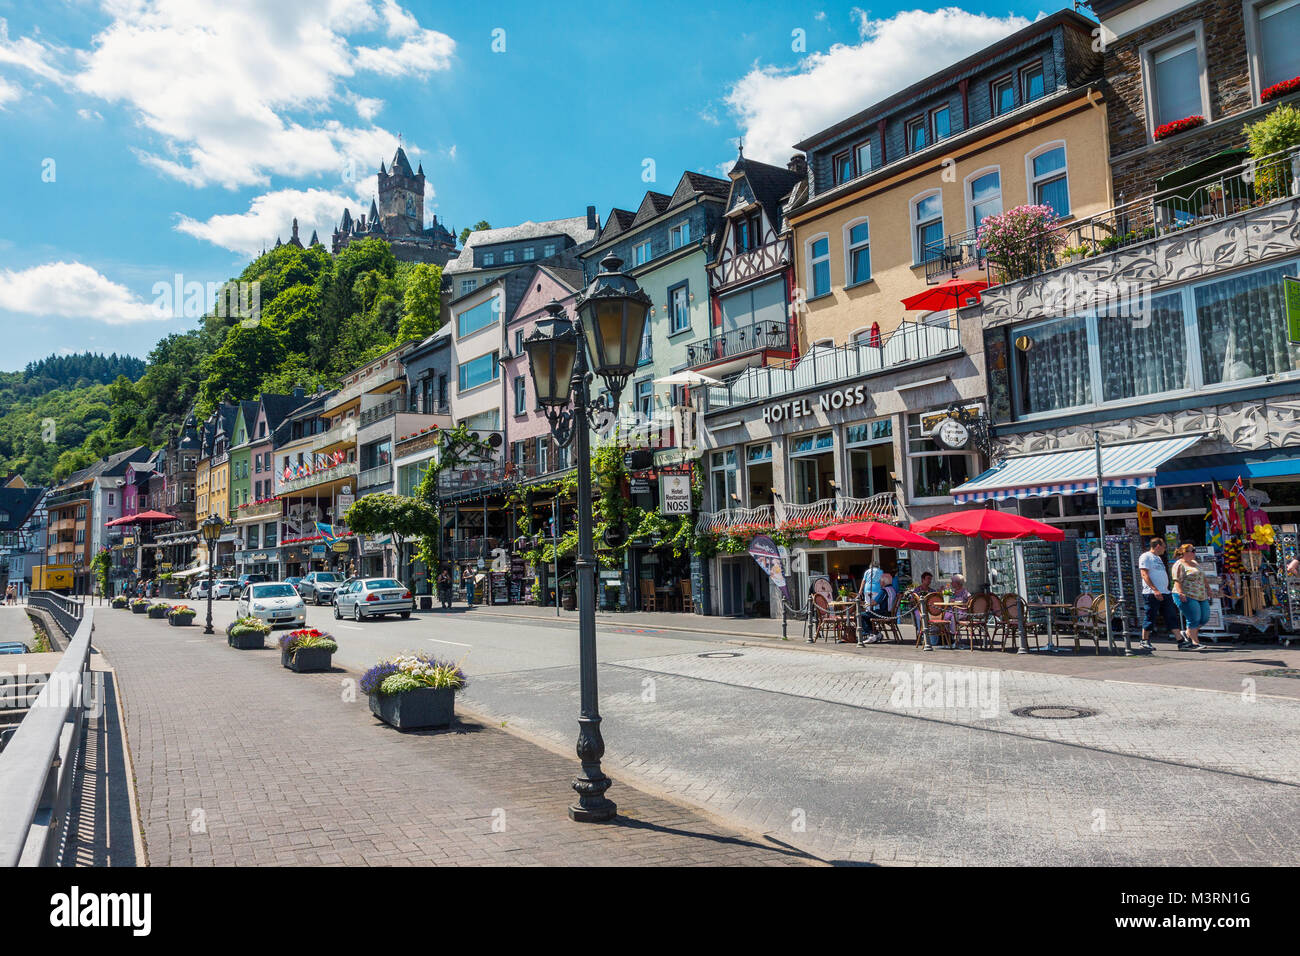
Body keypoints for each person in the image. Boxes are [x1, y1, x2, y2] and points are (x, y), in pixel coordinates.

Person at [1139, 537, 1187, 650]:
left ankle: (1180, 640)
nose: (1165, 549)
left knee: (1171, 616)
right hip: (1152, 593)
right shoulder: (1146, 556)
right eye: (1164, 547)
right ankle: (1144, 640)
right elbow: (1144, 574)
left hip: (1165, 592)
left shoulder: (1158, 558)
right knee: (1151, 616)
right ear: (1158, 546)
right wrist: (1154, 589)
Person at [1170, 544, 1208, 651]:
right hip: (1187, 594)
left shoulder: (1195, 563)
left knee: (1204, 618)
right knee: (1194, 619)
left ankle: (1187, 633)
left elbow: (1203, 577)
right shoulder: (1179, 564)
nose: (1194, 553)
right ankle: (1195, 642)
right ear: (1185, 552)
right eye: (1192, 551)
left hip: (1200, 594)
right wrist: (1181, 593)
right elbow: (1176, 580)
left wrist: (1208, 589)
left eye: (1194, 551)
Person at [860, 572, 898, 645]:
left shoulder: (884, 590)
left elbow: (874, 603)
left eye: (880, 581)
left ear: (883, 582)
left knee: (862, 615)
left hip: (884, 613)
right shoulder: (892, 589)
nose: (879, 582)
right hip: (889, 613)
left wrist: (863, 603)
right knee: (868, 614)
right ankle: (876, 634)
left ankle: (871, 634)